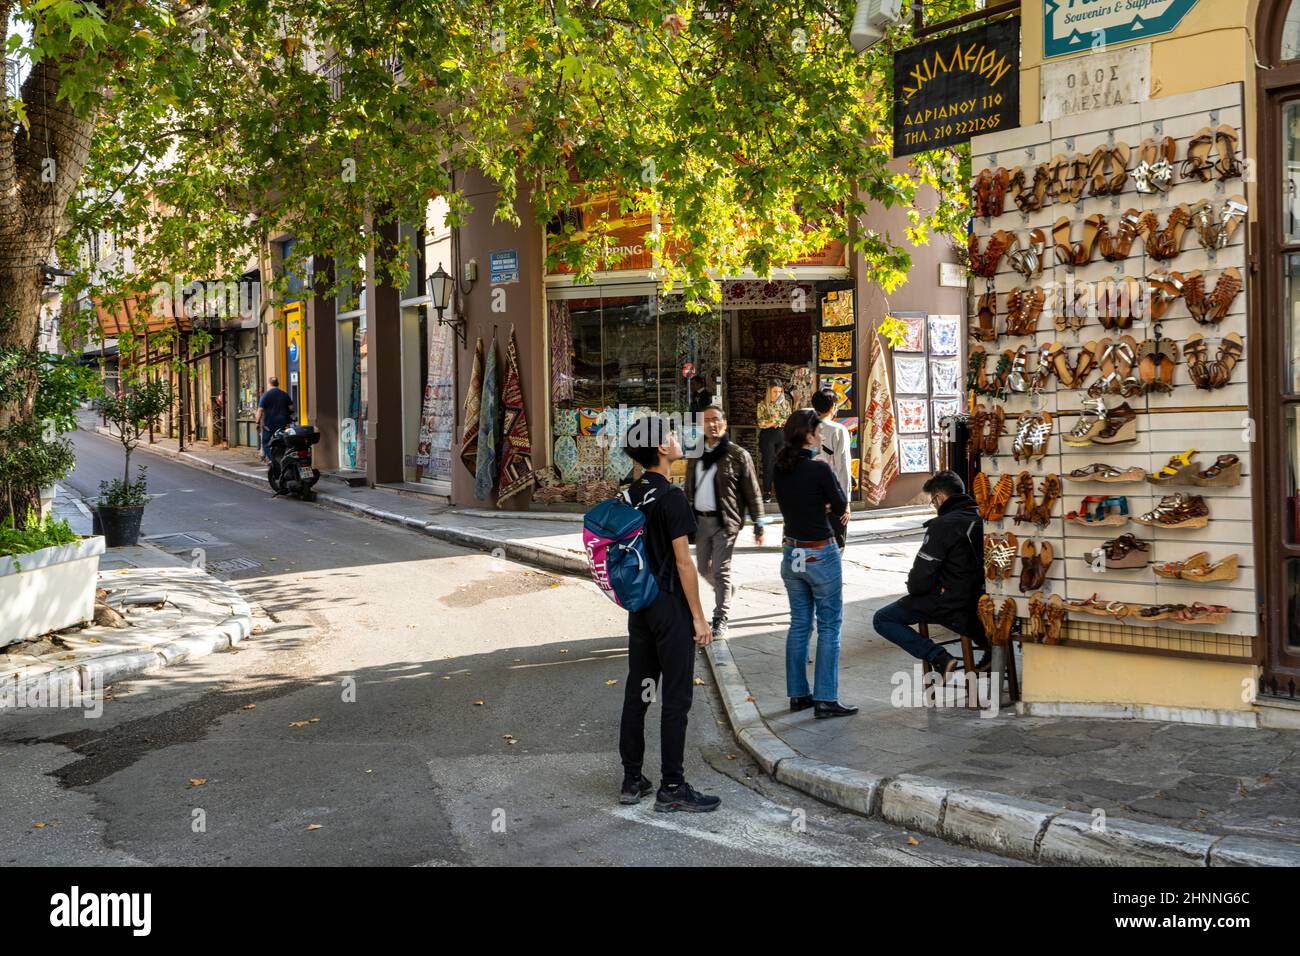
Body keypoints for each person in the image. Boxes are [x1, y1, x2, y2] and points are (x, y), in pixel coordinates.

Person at [617, 415, 721, 813]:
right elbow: (683, 562)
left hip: (640, 606)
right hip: (670, 608)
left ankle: (631, 779)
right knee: (676, 699)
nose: (678, 440)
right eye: (673, 435)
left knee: (639, 692)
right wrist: (698, 617)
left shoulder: (631, 493)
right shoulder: (672, 496)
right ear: (661, 448)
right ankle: (672, 786)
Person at [773, 409, 855, 719]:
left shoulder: (780, 468)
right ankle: (826, 698)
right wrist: (825, 501)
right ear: (807, 436)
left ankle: (798, 694)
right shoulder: (819, 470)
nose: (821, 437)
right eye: (818, 432)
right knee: (830, 626)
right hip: (820, 552)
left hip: (791, 551)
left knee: (799, 624)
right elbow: (840, 505)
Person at [872, 471, 987, 677]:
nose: (934, 506)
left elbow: (920, 580)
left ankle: (938, 657)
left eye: (933, 501)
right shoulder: (982, 515)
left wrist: (914, 589)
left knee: (883, 619)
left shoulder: (942, 525)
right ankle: (990, 649)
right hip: (980, 599)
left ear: (940, 497)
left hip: (952, 604)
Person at [684, 404, 764, 639]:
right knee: (702, 568)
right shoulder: (696, 452)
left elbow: (752, 490)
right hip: (700, 521)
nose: (712, 424)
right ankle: (726, 591)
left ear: (725, 423)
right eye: (707, 420)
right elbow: (690, 485)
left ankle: (720, 617)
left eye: (716, 419)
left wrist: (758, 522)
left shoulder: (738, 454)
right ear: (701, 424)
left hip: (725, 521)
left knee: (720, 570)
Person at [810, 387, 852, 548]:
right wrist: (846, 502)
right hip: (832, 495)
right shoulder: (839, 430)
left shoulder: (806, 428)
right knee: (835, 546)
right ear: (833, 406)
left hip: (810, 495)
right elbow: (843, 467)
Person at [757, 380, 791, 502]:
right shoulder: (762, 405)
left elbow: (788, 419)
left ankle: (782, 490)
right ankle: (767, 492)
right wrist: (771, 422)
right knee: (768, 464)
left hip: (782, 435)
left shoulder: (785, 404)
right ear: (769, 391)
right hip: (768, 436)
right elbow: (761, 423)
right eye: (774, 392)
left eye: (779, 391)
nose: (777, 394)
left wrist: (778, 422)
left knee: (782, 464)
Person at [255, 377, 294, 463]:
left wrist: (257, 422)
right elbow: (291, 408)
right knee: (282, 443)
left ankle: (274, 461)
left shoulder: (265, 395)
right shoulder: (284, 394)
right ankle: (283, 460)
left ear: (270, 384)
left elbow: (260, 410)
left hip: (269, 425)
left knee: (266, 444)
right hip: (282, 424)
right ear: (278, 383)